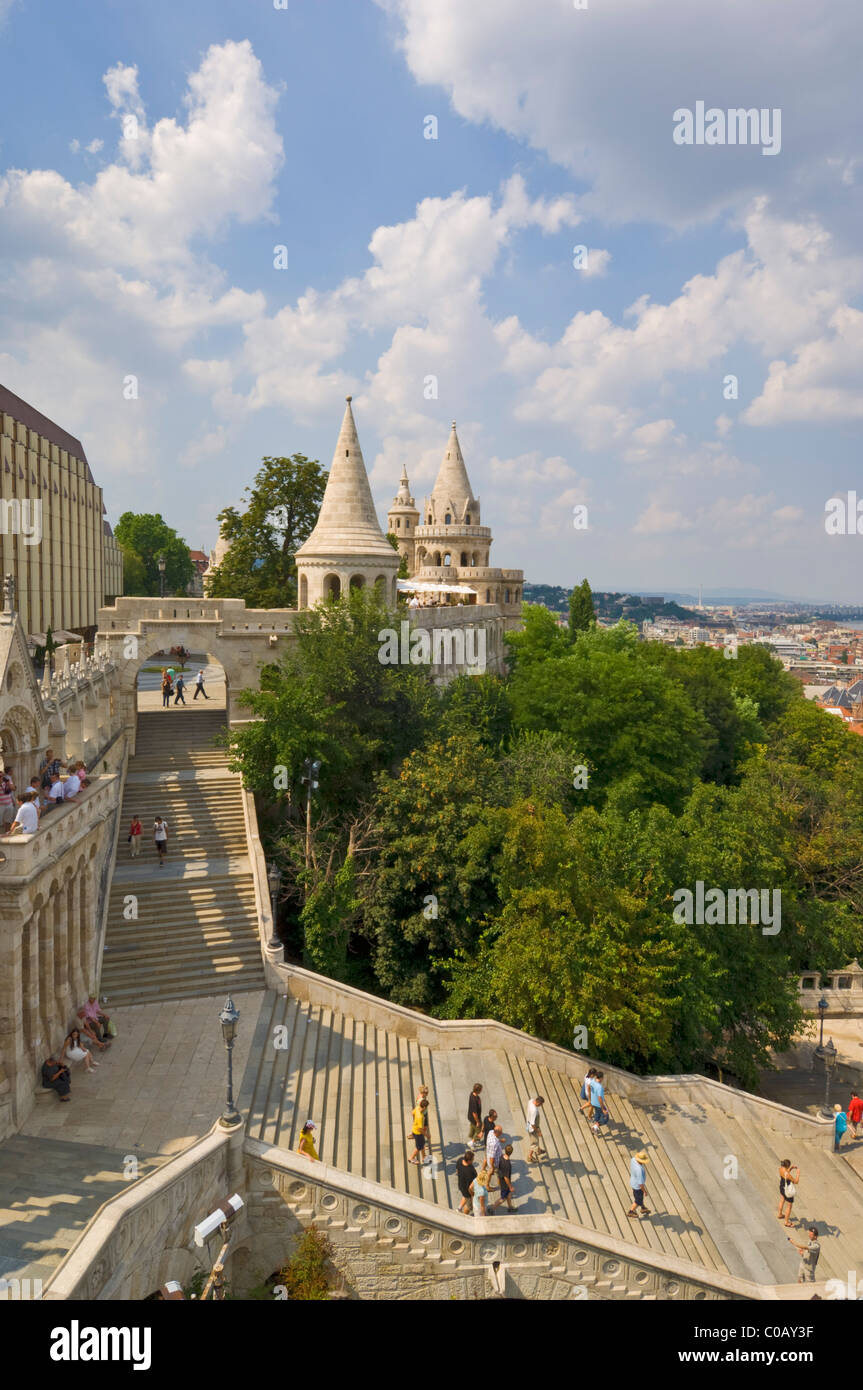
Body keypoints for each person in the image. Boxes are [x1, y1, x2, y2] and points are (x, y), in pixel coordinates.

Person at [628, 1149, 651, 1219]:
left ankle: (643, 1208)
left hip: (633, 1181)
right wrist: (644, 1191)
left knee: (639, 1197)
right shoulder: (639, 1170)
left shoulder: (633, 1159)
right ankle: (631, 1211)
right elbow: (641, 1184)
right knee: (638, 1200)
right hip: (637, 1186)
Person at [492, 1144, 515, 1212]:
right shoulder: (507, 1164)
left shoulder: (501, 1156)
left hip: (501, 1179)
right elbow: (506, 1177)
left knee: (509, 1194)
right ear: (511, 1152)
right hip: (505, 1184)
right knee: (503, 1198)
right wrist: (510, 1186)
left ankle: (510, 1207)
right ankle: (492, 1208)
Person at [778, 1158, 800, 1226]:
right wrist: (798, 1174)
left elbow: (785, 1173)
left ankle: (780, 1214)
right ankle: (786, 1222)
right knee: (789, 1206)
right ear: (787, 1166)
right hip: (788, 1190)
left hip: (782, 1186)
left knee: (782, 1200)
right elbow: (796, 1181)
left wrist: (791, 1168)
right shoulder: (788, 1175)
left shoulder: (781, 1169)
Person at [588, 1072, 610, 1137]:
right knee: (606, 1117)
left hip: (593, 1102)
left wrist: (590, 1097)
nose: (602, 1079)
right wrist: (603, 1109)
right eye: (602, 1078)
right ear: (600, 1078)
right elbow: (600, 1098)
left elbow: (588, 1087)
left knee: (597, 1115)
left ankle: (595, 1127)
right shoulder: (599, 1087)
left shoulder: (592, 1082)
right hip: (598, 1104)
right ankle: (594, 1127)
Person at [409, 1098, 429, 1164]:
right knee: (418, 1147)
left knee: (422, 1144)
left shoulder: (417, 1108)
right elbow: (420, 1129)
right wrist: (426, 1135)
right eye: (426, 1107)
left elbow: (412, 1113)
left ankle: (424, 1157)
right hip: (418, 1134)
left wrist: (416, 1121)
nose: (426, 1109)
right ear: (424, 1107)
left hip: (414, 1130)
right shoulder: (421, 1116)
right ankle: (411, 1158)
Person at [456, 1150, 477, 1215]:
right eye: (472, 1160)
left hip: (460, 1185)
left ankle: (459, 1208)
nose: (473, 1161)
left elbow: (457, 1171)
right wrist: (472, 1194)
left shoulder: (460, 1160)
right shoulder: (470, 1170)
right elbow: (472, 1185)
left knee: (465, 1196)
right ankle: (464, 1217)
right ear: (469, 1160)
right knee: (469, 1206)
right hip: (467, 1189)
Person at [526, 1095, 545, 1161]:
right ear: (538, 1103)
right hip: (532, 1128)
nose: (541, 1106)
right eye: (541, 1104)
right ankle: (530, 1156)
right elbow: (533, 1123)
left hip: (528, 1124)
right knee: (534, 1142)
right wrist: (538, 1131)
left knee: (535, 1140)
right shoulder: (534, 1110)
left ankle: (538, 1150)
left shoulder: (531, 1101)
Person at [486, 1123, 504, 1190]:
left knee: (490, 1173)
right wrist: (492, 1167)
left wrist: (500, 1140)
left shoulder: (491, 1132)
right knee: (498, 1174)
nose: (502, 1133)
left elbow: (495, 1138)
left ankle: (487, 1185)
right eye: (501, 1132)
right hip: (495, 1163)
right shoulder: (494, 1144)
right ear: (498, 1132)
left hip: (489, 1156)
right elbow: (492, 1157)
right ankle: (501, 1186)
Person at [467, 1082, 484, 1151]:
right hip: (475, 1118)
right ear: (478, 1090)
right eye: (481, 1089)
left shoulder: (472, 1094)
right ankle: (472, 1142)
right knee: (479, 1131)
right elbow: (474, 1113)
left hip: (471, 1117)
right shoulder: (474, 1100)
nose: (481, 1091)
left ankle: (472, 1137)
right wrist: (477, 1121)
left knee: (472, 1127)